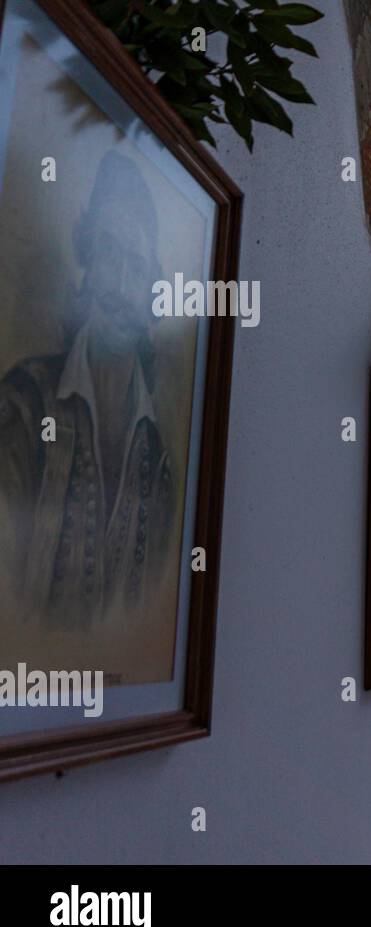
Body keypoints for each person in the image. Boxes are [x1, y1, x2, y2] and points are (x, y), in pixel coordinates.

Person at [0, 151, 175, 633]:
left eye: (136, 266)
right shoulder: (22, 402)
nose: (119, 284)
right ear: (88, 260)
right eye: (108, 252)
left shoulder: (158, 463)